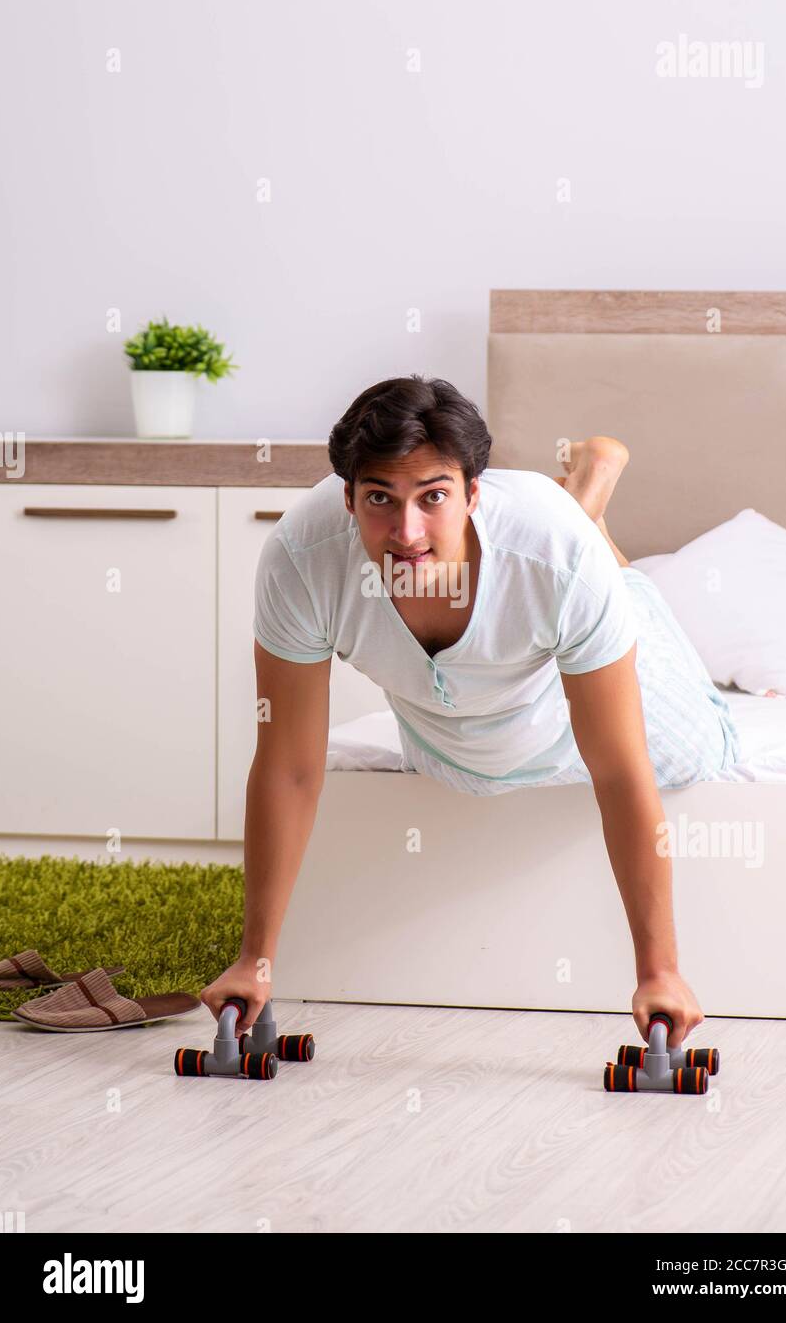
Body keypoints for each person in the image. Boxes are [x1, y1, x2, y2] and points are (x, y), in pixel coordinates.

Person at [200, 375, 740, 1049]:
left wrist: (659, 971)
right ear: (346, 498)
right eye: (379, 499)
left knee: (700, 735)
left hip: (584, 673)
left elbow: (621, 769)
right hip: (452, 744)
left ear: (474, 494)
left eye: (434, 497)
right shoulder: (301, 560)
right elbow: (288, 765)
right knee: (555, 595)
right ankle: (585, 506)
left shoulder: (553, 558)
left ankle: (586, 511)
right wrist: (256, 959)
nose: (406, 531)